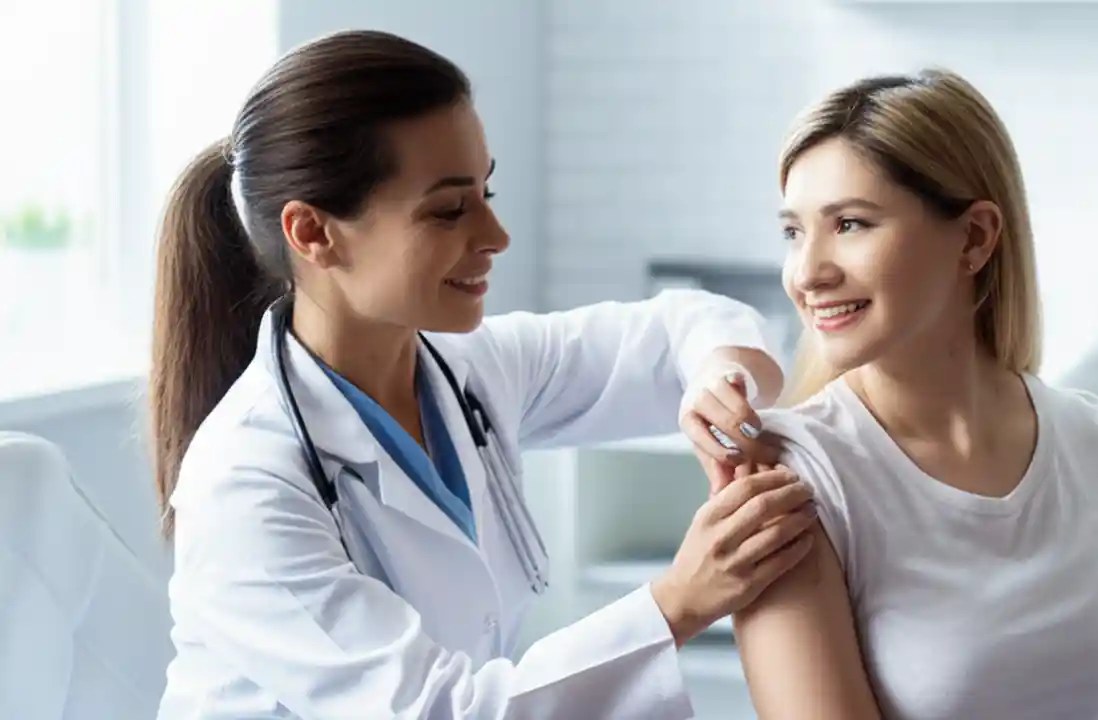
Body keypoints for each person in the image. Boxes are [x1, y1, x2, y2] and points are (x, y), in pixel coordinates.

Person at [149, 29, 818, 719]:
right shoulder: (246, 482)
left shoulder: (471, 370)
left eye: (485, 191)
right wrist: (682, 600)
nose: (495, 235)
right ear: (313, 233)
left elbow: (685, 324)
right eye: (448, 209)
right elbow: (441, 711)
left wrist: (719, 378)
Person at [727, 69, 1098, 719]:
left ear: (974, 238)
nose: (807, 272)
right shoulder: (793, 477)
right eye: (794, 232)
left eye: (852, 225)